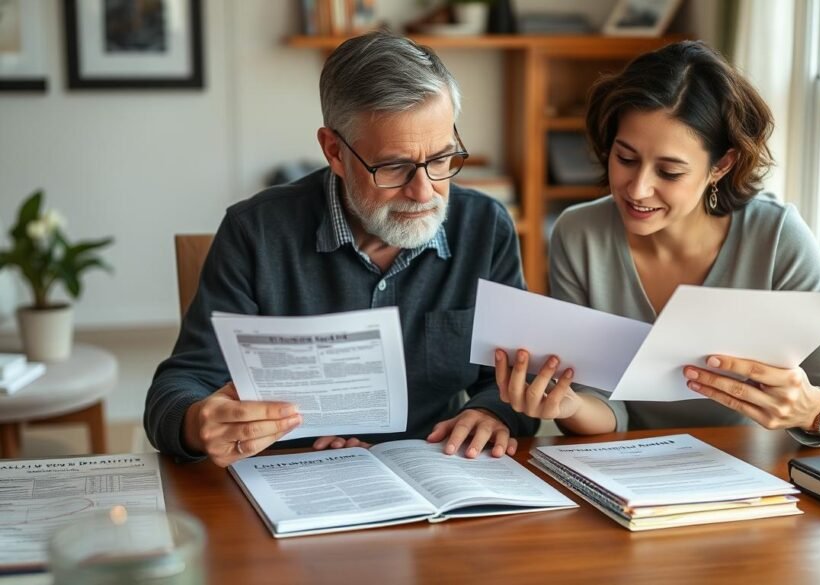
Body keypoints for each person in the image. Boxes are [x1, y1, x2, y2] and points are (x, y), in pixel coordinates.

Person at [145, 31, 536, 467]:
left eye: (442, 159)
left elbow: (513, 379)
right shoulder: (254, 232)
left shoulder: (485, 226)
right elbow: (178, 388)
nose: (424, 192)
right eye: (394, 166)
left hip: (437, 472)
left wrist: (491, 411)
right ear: (334, 150)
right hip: (294, 476)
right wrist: (198, 422)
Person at [496, 41, 820, 446]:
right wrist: (567, 407)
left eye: (669, 171)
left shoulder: (776, 237)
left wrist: (811, 409)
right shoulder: (579, 234)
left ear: (721, 165)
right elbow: (603, 402)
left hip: (749, 474)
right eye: (625, 159)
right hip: (625, 469)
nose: (638, 189)